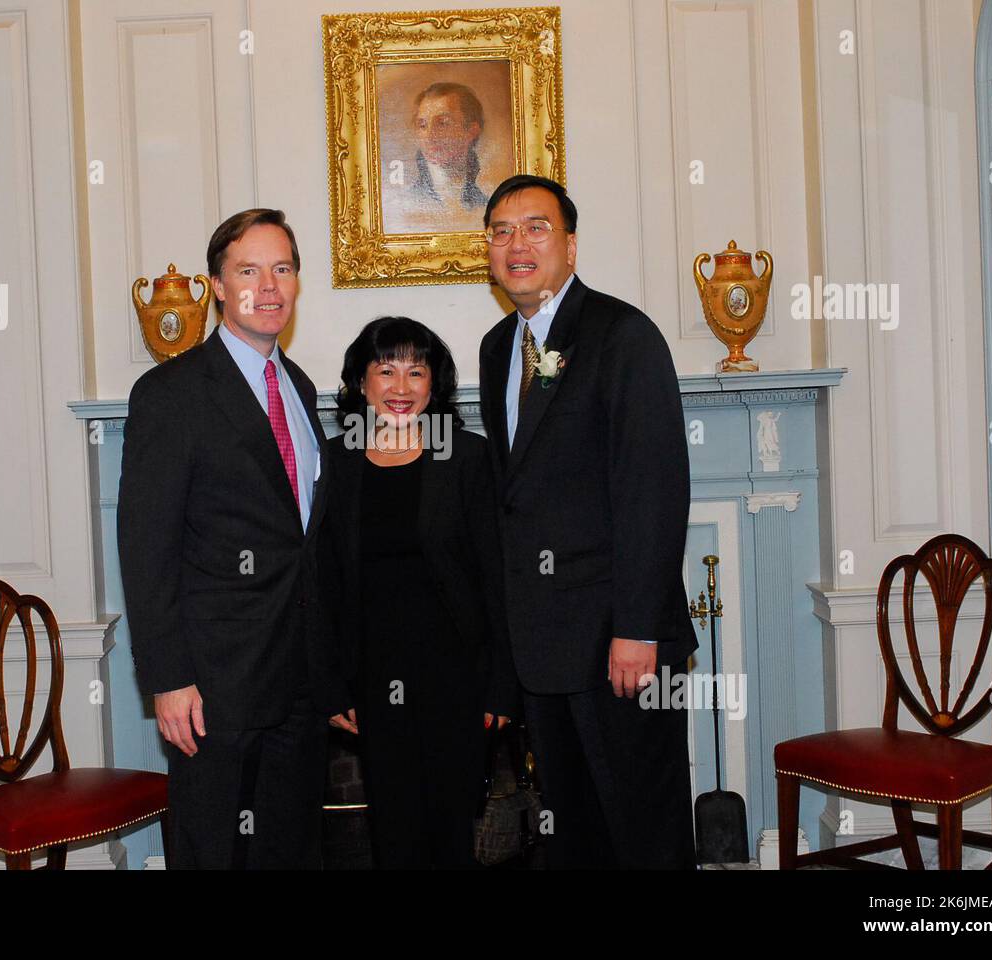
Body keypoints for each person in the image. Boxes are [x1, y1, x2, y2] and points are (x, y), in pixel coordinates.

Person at [477, 174, 698, 869]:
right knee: (573, 834)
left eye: (535, 228)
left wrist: (635, 629)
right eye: (502, 231)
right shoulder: (494, 350)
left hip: (617, 643)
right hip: (544, 648)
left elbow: (654, 492)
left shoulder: (622, 336)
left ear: (570, 246)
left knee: (643, 830)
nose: (518, 245)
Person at [117, 208, 348, 869]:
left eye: (282, 269)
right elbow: (145, 547)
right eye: (248, 270)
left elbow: (304, 542)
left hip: (298, 682)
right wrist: (168, 679)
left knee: (290, 847)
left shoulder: (299, 389)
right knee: (214, 849)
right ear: (217, 286)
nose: (268, 286)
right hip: (213, 687)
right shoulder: (170, 394)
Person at [319, 316, 519, 868]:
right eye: (386, 370)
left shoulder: (467, 459)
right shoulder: (334, 465)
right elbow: (325, 584)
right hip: (372, 681)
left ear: (435, 382)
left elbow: (497, 578)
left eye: (416, 370)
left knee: (452, 833)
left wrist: (502, 687)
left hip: (457, 680)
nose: (401, 387)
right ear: (361, 382)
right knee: (394, 831)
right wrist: (331, 685)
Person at [385, 82, 489, 233]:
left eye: (443, 123)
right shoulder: (405, 204)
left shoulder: (487, 205)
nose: (429, 136)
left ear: (471, 131)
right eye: (422, 125)